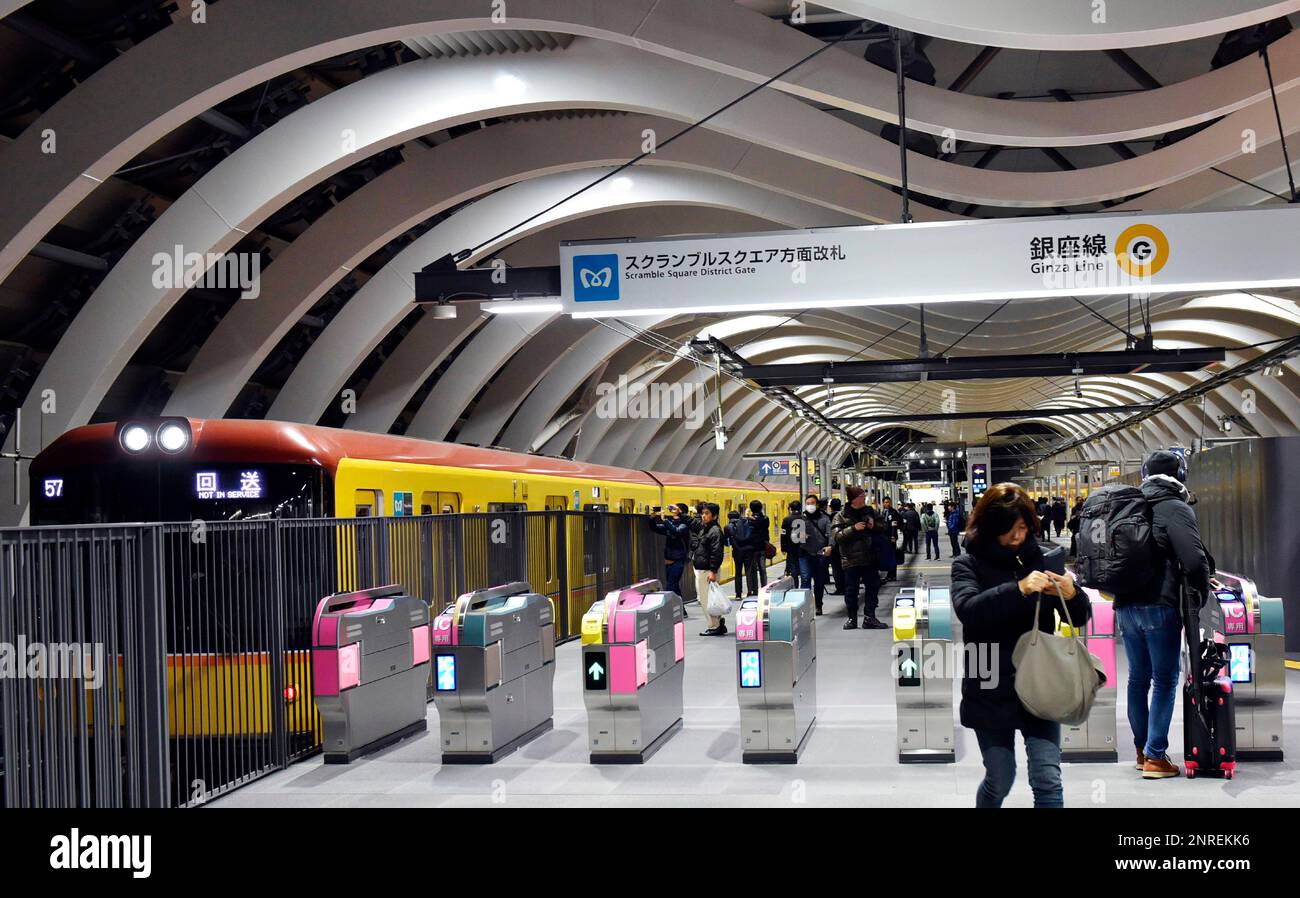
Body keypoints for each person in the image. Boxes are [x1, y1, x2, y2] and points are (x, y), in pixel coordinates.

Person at [951, 483, 1091, 808]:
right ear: (990, 528)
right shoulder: (968, 564)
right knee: (1000, 777)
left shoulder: (1043, 559)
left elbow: (1077, 617)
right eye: (1009, 531)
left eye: (1023, 528)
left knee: (1047, 779)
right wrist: (1020, 589)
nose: (1017, 537)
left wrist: (1073, 595)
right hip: (990, 685)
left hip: (1042, 683)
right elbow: (969, 610)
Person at [1113, 450, 1214, 779]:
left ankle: (1143, 752)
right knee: (1165, 680)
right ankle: (1157, 757)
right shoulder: (1174, 506)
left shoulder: (1129, 503)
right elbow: (1195, 559)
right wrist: (1201, 593)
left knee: (1137, 679)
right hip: (1160, 604)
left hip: (1126, 605)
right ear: (1180, 476)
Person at [833, 486, 886, 629]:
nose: (865, 498)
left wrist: (874, 525)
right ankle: (852, 619)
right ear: (855, 499)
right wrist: (853, 528)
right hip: (851, 559)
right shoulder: (841, 515)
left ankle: (870, 617)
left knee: (873, 588)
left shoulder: (870, 512)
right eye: (862, 496)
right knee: (851, 591)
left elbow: (883, 526)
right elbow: (837, 536)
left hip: (870, 557)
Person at [794, 493, 832, 615]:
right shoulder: (801, 519)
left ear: (817, 505)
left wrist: (830, 546)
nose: (810, 506)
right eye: (808, 503)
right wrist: (799, 536)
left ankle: (818, 605)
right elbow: (794, 537)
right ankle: (805, 606)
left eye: (812, 503)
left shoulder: (825, 519)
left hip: (820, 554)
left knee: (819, 581)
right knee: (805, 579)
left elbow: (830, 534)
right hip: (804, 553)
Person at [693, 503, 727, 636]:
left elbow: (716, 552)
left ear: (715, 516)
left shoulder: (714, 531)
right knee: (712, 598)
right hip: (706, 569)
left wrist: (713, 570)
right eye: (703, 513)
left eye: (707, 513)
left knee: (707, 600)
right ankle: (718, 623)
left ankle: (714, 626)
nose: (703, 516)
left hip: (708, 570)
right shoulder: (708, 528)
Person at [648, 503, 690, 600]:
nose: (672, 510)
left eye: (675, 508)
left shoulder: (684, 525)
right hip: (669, 560)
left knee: (671, 585)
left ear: (681, 511)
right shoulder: (671, 523)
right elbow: (655, 528)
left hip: (678, 560)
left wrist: (665, 521)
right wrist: (653, 517)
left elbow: (677, 531)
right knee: (673, 585)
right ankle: (681, 609)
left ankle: (672, 609)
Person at [725, 509, 757, 600]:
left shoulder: (728, 527)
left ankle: (738, 594)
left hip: (737, 551)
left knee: (738, 572)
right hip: (749, 550)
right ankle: (750, 591)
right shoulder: (747, 522)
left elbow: (726, 542)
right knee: (748, 571)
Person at [748, 499, 771, 589]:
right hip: (762, 547)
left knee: (753, 569)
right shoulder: (765, 519)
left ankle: (754, 589)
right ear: (761, 508)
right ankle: (764, 587)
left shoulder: (749, 520)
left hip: (752, 548)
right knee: (762, 569)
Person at [879, 497, 901, 581]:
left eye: (888, 502)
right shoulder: (883, 512)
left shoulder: (893, 512)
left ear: (890, 503)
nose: (886, 504)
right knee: (887, 556)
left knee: (892, 556)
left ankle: (892, 575)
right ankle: (889, 574)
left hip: (891, 538)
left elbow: (894, 526)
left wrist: (893, 536)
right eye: (885, 502)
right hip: (884, 538)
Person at [827, 497, 845, 596]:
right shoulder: (844, 516)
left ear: (830, 507)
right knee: (844, 567)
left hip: (834, 546)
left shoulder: (830, 518)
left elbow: (830, 533)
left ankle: (840, 588)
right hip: (844, 545)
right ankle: (846, 586)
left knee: (836, 568)